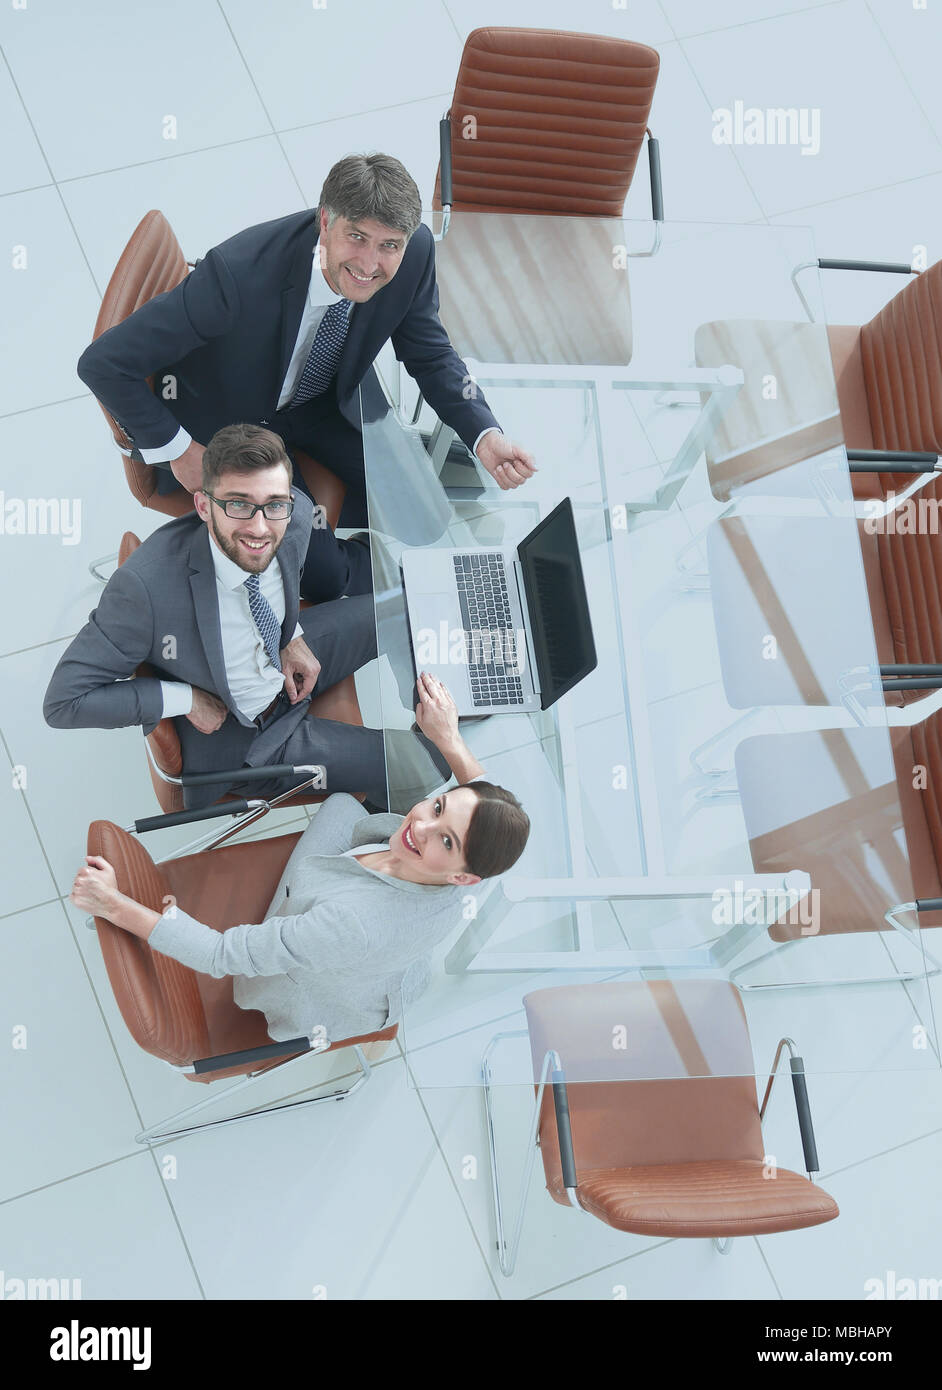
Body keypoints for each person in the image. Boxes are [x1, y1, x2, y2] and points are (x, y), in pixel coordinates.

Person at [77, 152, 537, 602]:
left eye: (387, 246)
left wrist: (484, 433)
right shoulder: (236, 276)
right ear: (325, 221)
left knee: (426, 519)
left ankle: (337, 547)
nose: (370, 264)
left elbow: (430, 353)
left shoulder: (413, 253)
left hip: (317, 402)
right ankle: (373, 585)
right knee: (325, 578)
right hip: (232, 427)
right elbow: (102, 364)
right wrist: (180, 452)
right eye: (356, 237)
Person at [70, 673, 530, 1044]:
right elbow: (486, 798)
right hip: (375, 952)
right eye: (437, 806)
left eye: (445, 841)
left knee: (347, 804)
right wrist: (448, 739)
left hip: (311, 974)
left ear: (463, 878)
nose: (421, 827)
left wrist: (113, 905)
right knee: (344, 805)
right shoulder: (478, 862)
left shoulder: (351, 923)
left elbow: (220, 954)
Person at [43, 423, 446, 811]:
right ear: (203, 504)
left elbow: (275, 583)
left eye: (274, 504)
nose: (259, 528)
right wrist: (184, 700)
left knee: (411, 612)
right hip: (243, 737)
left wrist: (291, 635)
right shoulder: (144, 590)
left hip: (284, 663)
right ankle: (378, 803)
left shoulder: (296, 516)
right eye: (237, 504)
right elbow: (64, 702)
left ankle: (443, 708)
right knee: (427, 764)